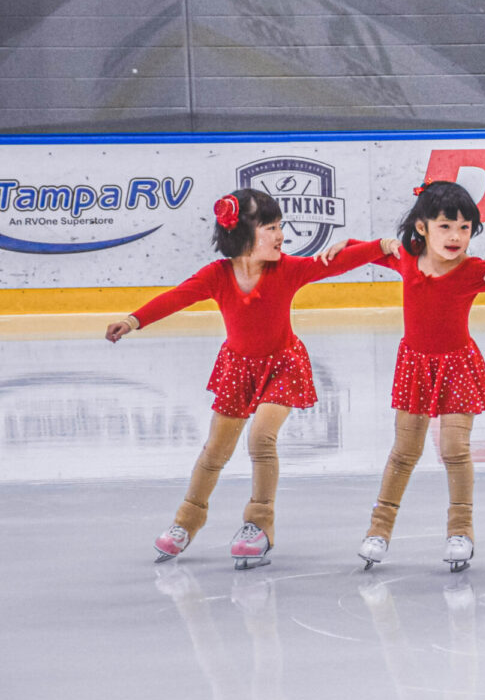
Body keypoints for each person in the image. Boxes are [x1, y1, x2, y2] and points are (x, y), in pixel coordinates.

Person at [106, 189, 394, 568]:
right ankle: (186, 521)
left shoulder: (287, 270)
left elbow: (336, 265)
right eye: (271, 227)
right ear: (241, 234)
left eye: (280, 227)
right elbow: (178, 297)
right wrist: (132, 320)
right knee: (215, 451)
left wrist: (384, 245)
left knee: (261, 438)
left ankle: (259, 525)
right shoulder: (217, 276)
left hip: (283, 366)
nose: (281, 236)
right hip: (238, 369)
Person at [355, 180, 485, 573]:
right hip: (416, 367)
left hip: (457, 367)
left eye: (464, 228)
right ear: (422, 227)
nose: (455, 236)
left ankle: (461, 530)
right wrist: (376, 245)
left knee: (455, 449)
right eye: (445, 227)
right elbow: (357, 251)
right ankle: (379, 530)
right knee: (404, 453)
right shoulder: (406, 257)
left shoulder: (473, 270)